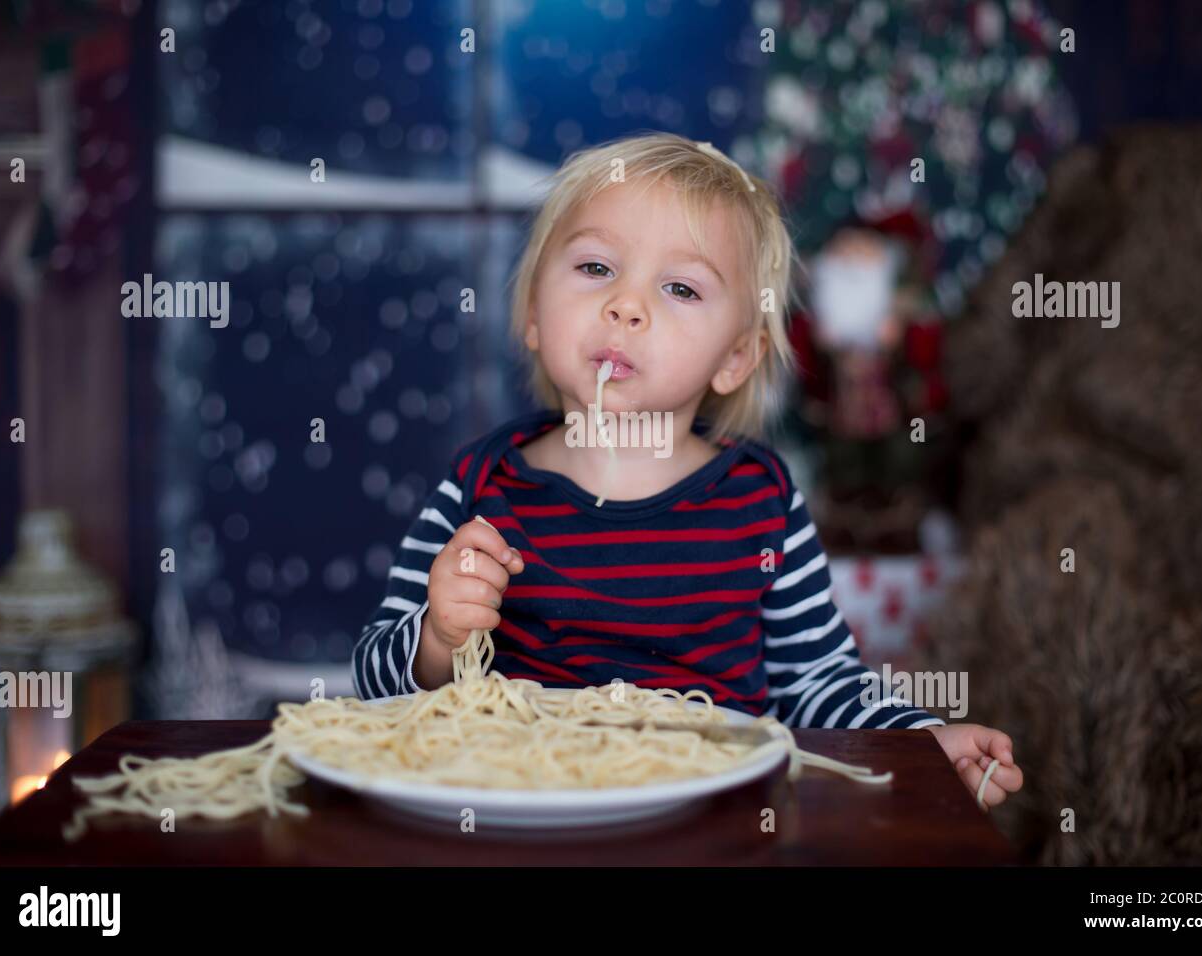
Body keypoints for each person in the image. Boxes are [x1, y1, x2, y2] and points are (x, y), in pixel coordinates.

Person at [352, 132, 1022, 810]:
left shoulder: (761, 500)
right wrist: (435, 638)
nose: (627, 305)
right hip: (519, 817)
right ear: (531, 314)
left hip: (714, 826)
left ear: (735, 357)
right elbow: (372, 687)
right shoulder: (480, 486)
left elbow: (820, 683)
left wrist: (918, 739)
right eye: (594, 268)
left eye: (679, 287)